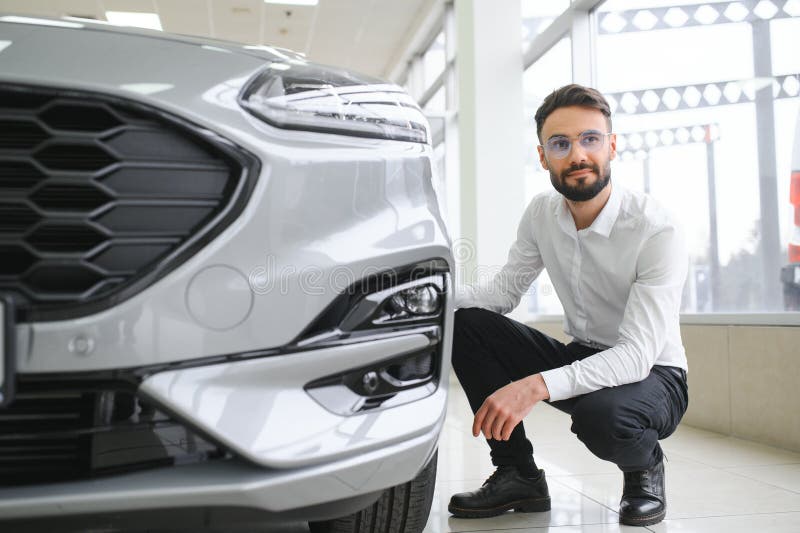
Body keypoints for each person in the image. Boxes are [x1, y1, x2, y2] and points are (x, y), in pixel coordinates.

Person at [448, 84, 689, 527]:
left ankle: (644, 468)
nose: (577, 154)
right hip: (585, 354)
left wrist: (533, 386)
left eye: (590, 139)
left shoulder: (656, 230)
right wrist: (432, 298)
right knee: (468, 325)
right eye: (561, 143)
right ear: (544, 157)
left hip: (655, 374)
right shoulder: (542, 214)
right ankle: (517, 473)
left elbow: (636, 356)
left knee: (603, 418)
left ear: (611, 146)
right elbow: (500, 295)